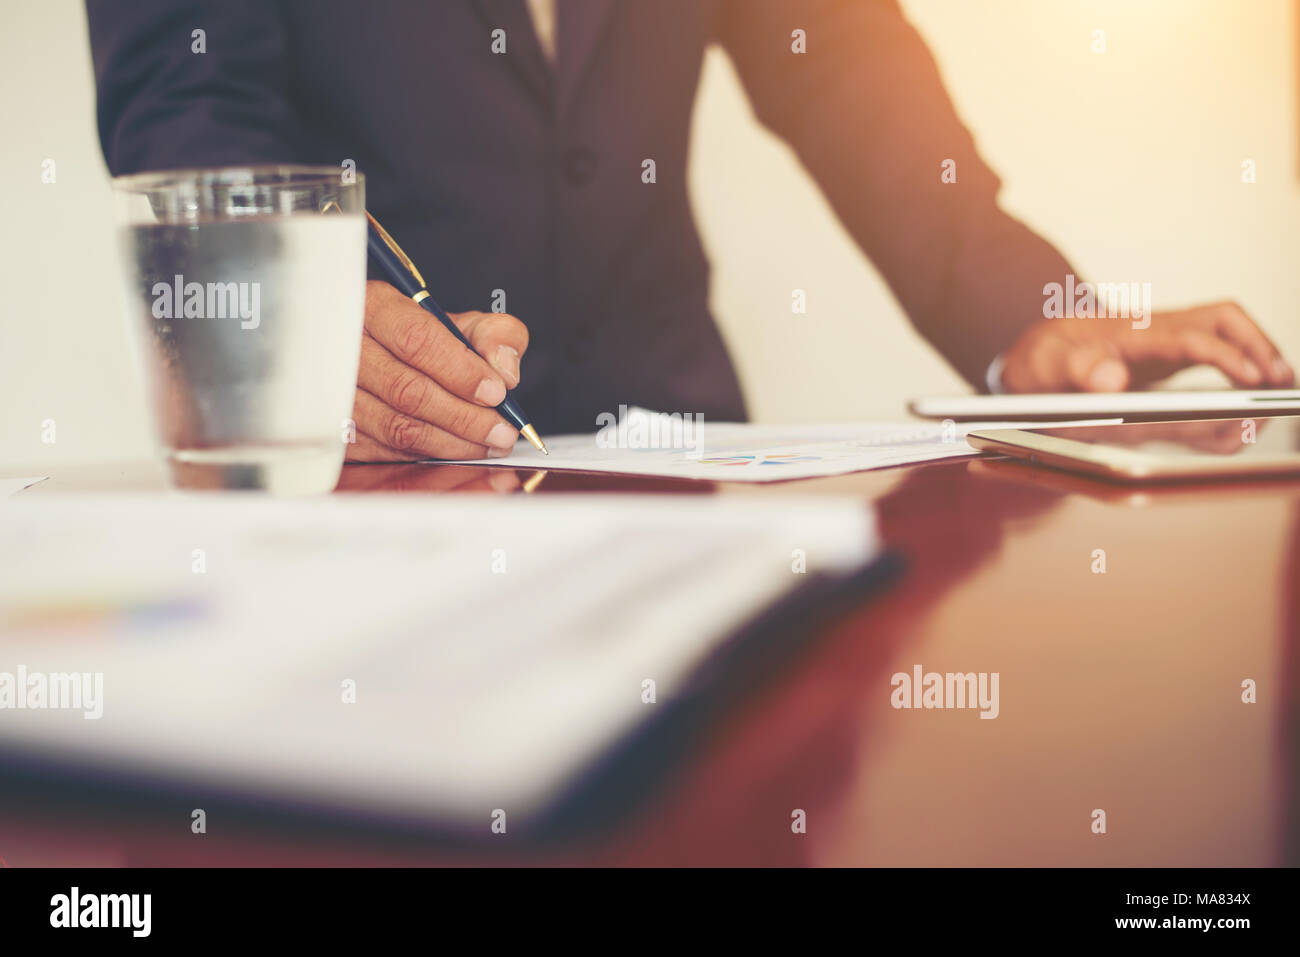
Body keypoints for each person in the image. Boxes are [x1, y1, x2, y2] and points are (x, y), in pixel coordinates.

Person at [86, 0, 1293, 461]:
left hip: (684, 463)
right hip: (374, 486)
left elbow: (844, 70)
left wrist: (1034, 323)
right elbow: (189, 95)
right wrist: (300, 319)